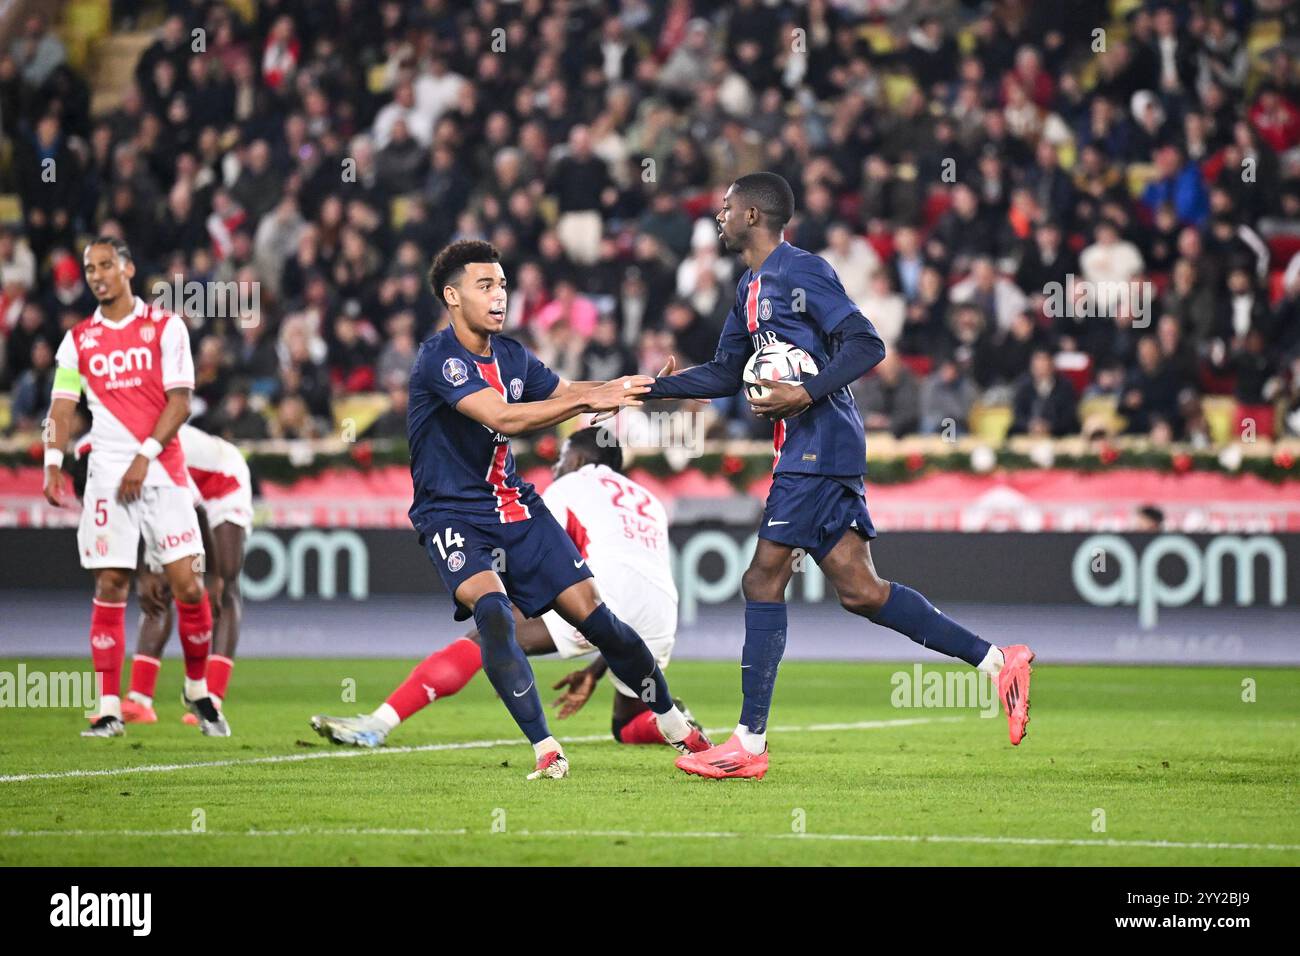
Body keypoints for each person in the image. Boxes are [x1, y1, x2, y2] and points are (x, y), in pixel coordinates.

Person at [641, 173, 1034, 779]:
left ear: (752, 214)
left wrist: (804, 392)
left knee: (762, 577)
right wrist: (655, 387)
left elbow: (867, 343)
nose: (718, 217)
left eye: (725, 208)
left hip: (819, 441)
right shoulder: (747, 286)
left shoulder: (803, 270)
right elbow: (725, 372)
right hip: (813, 446)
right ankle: (999, 662)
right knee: (862, 590)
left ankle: (748, 743)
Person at [313, 240, 708, 779]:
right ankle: (546, 747)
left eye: (502, 284)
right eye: (486, 286)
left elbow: (568, 389)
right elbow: (506, 418)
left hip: (516, 507)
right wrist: (590, 399)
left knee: (601, 621)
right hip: (452, 515)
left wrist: (630, 389)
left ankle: (675, 725)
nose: (500, 295)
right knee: (494, 614)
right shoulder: (439, 359)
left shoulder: (514, 356)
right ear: (452, 297)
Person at [312, 427, 703, 749]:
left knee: (485, 636)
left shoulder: (569, 487)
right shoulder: (649, 500)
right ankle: (678, 724)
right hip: (661, 608)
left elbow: (540, 556)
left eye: (562, 458)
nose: (557, 466)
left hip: (608, 592)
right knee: (628, 721)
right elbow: (633, 590)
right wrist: (596, 670)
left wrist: (510, 647)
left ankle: (376, 724)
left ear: (580, 460)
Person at [41, 237, 227, 738]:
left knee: (188, 584)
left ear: (127, 269)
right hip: (105, 476)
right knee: (110, 584)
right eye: (89, 268)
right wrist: (53, 459)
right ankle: (108, 708)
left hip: (161, 471)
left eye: (105, 265)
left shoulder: (166, 328)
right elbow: (61, 408)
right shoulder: (77, 340)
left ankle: (196, 688)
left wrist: (144, 457)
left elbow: (180, 403)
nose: (97, 275)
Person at [118, 424, 252, 725]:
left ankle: (211, 697)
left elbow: (198, 509)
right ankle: (139, 700)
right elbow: (129, 515)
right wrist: (146, 571)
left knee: (225, 583)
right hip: (178, 494)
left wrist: (212, 575)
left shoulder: (153, 451)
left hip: (223, 485)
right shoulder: (113, 453)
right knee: (158, 587)